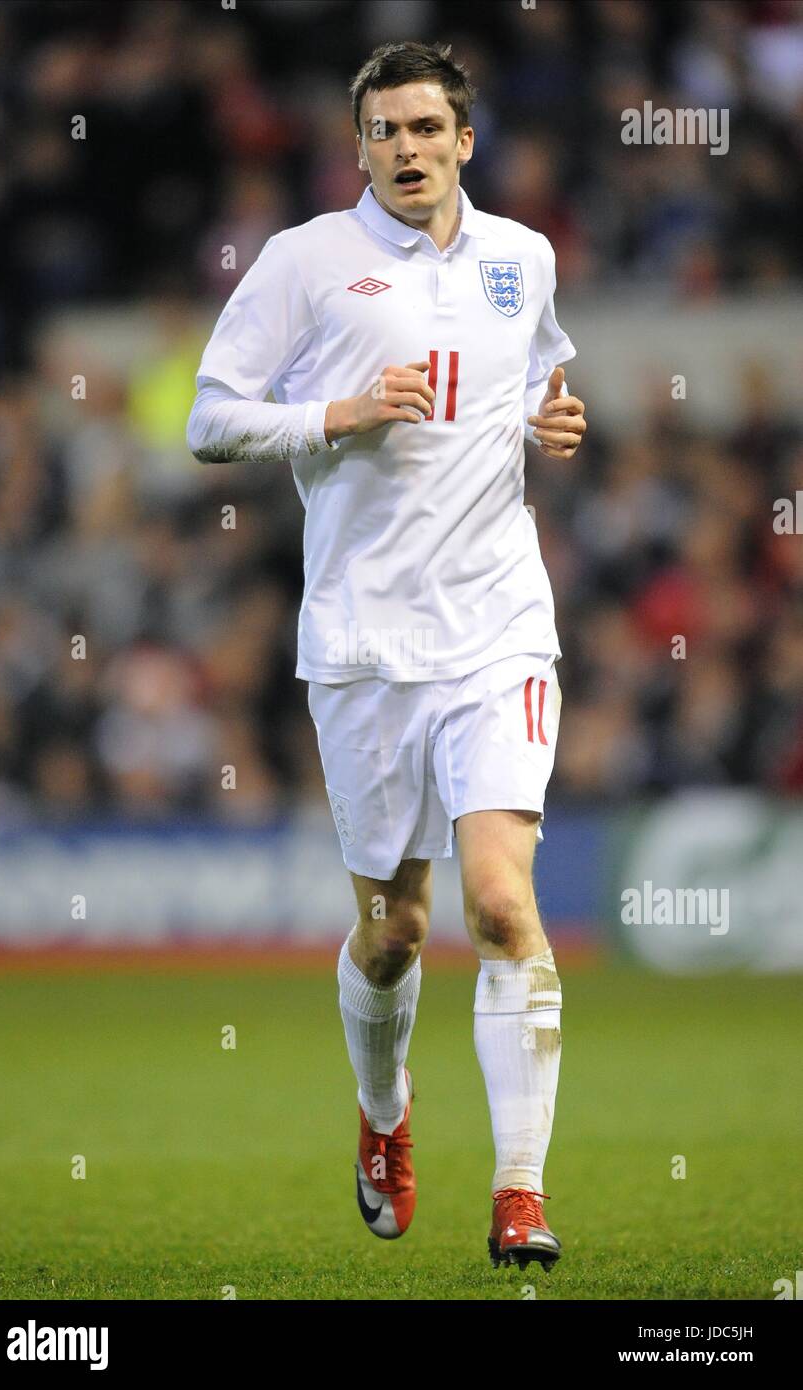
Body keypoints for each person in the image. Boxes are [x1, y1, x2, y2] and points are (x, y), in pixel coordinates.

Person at [187, 39, 587, 1272]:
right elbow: (209, 418)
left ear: (466, 140)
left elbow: (540, 375)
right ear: (358, 146)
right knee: (396, 931)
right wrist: (337, 413)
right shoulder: (307, 263)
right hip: (364, 645)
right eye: (385, 131)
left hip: (498, 626)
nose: (408, 149)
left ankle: (518, 1192)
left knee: (504, 899)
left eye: (428, 128)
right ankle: (383, 1112)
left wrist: (551, 417)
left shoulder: (524, 259)